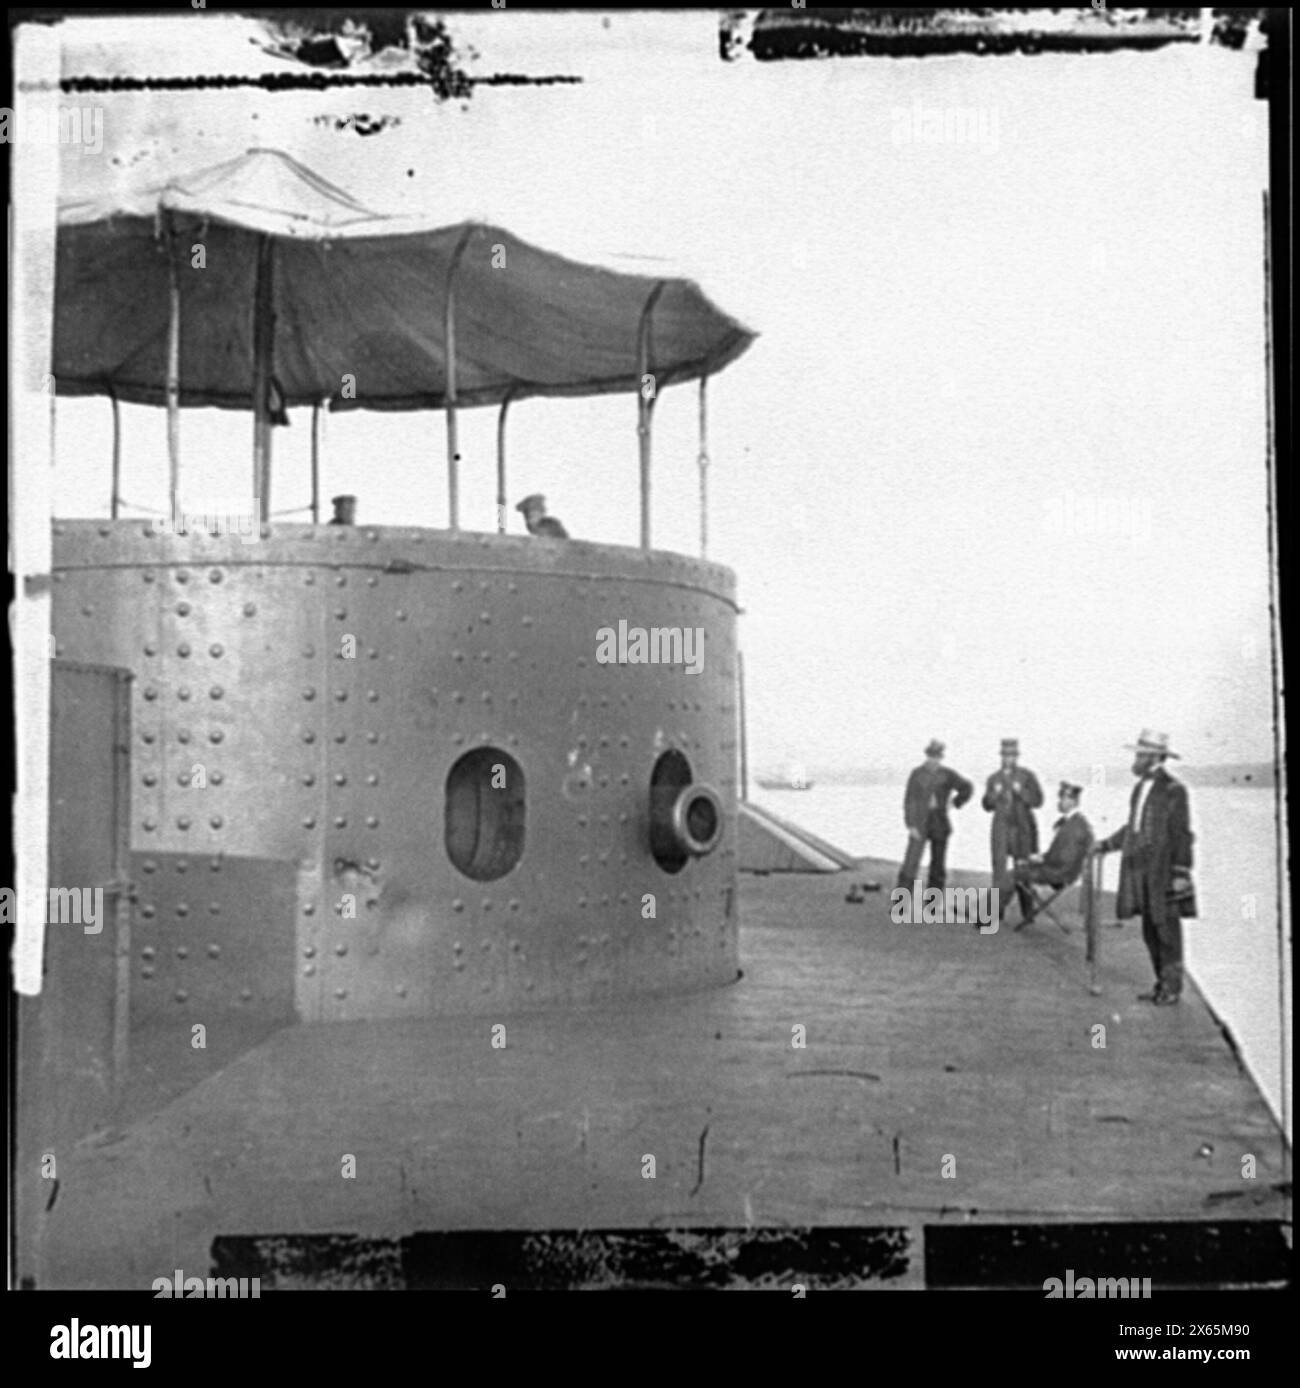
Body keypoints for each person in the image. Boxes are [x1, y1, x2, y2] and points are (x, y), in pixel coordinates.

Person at [1092, 730, 1196, 1005]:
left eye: (1140, 755)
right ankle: (1161, 983)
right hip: (1140, 871)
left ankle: (1172, 989)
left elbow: (1182, 834)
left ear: (1153, 757)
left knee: (1166, 929)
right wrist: (1106, 845)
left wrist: (1180, 873)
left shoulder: (1174, 790)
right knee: (1150, 928)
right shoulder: (1140, 788)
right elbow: (1133, 828)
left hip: (1163, 871)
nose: (1136, 760)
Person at [1011, 781, 1093, 926]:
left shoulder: (1074, 827)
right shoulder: (1075, 822)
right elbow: (1061, 853)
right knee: (1018, 870)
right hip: (1061, 870)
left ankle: (985, 914)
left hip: (1058, 874)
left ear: (1073, 801)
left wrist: (1040, 859)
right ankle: (1026, 914)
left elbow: (1062, 858)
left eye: (1063, 798)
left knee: (1012, 874)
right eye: (1060, 797)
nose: (1059, 802)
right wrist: (1038, 857)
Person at [897, 740, 973, 892]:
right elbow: (909, 800)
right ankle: (901, 902)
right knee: (911, 861)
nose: (934, 759)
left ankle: (933, 903)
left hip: (940, 822)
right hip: (920, 822)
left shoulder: (947, 774)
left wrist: (955, 802)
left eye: (937, 756)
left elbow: (967, 787)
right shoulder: (917, 774)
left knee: (938, 864)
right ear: (927, 756)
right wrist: (911, 824)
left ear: (941, 757)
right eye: (931, 756)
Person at [981, 738, 1044, 920]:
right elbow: (986, 805)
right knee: (999, 868)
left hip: (1022, 828)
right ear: (1001, 756)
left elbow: (1038, 800)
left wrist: (1022, 793)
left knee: (1023, 868)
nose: (1008, 758)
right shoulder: (994, 778)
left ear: (1017, 756)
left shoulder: (1027, 776)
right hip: (1000, 828)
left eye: (1012, 755)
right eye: (1005, 755)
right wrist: (993, 795)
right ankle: (996, 910)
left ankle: (1027, 911)